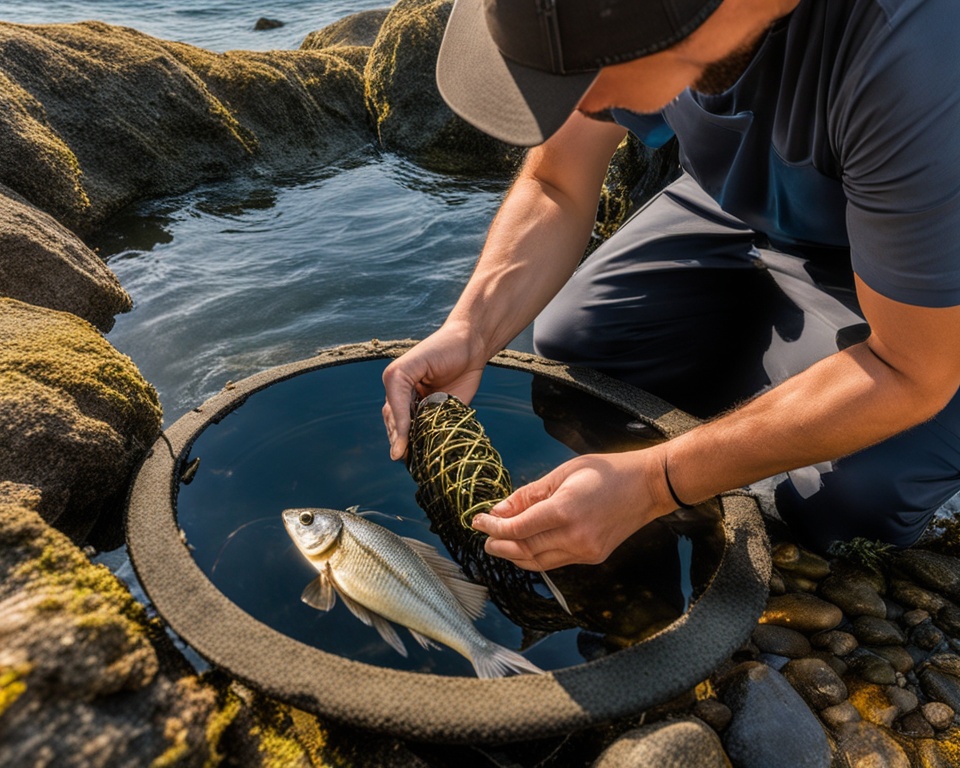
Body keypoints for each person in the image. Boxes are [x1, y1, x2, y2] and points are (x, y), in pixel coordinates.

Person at [381, 0, 960, 565]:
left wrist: (659, 482)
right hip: (741, 201)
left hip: (927, 282)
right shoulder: (630, 21)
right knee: (581, 350)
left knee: (846, 501)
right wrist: (472, 328)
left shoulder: (916, 60)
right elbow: (557, 181)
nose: (575, 105)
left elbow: (910, 369)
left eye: (587, 77)